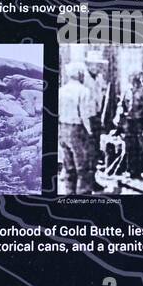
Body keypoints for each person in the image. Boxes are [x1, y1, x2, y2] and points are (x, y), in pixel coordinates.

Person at [57, 62, 96, 194]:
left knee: (69, 167)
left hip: (63, 129)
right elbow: (85, 115)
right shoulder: (84, 91)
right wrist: (90, 132)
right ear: (80, 74)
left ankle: (70, 195)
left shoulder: (61, 91)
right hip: (77, 130)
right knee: (83, 167)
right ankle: (83, 198)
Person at [116, 71, 143, 181]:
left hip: (142, 121)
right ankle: (133, 172)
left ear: (139, 78)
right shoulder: (127, 89)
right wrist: (119, 118)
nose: (133, 81)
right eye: (131, 78)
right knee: (130, 147)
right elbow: (121, 104)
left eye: (135, 78)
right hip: (129, 122)